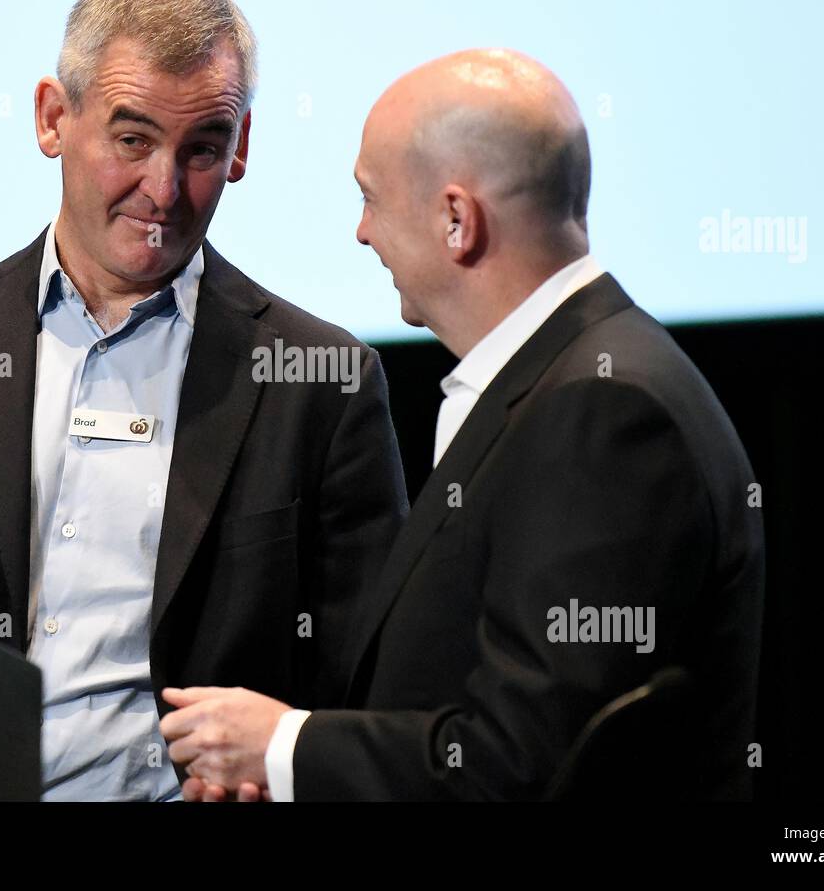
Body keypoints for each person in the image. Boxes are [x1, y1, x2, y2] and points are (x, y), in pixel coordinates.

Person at [0, 0, 407, 801]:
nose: (164, 191)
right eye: (133, 140)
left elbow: (370, 691)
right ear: (54, 118)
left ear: (241, 149)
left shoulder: (322, 382)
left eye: (201, 147)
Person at [160, 48, 765, 801]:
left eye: (370, 198)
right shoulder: (575, 377)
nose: (362, 232)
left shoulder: (601, 413)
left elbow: (526, 764)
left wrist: (284, 748)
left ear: (456, 220)